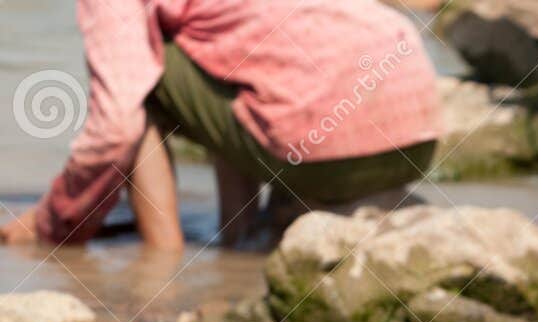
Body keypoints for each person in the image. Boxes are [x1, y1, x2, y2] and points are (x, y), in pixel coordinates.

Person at [1, 0, 440, 251]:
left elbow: (116, 126)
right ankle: (240, 234)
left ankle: (162, 264)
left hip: (326, 157)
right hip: (417, 136)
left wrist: (52, 223)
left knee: (145, 76)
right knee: (212, 51)